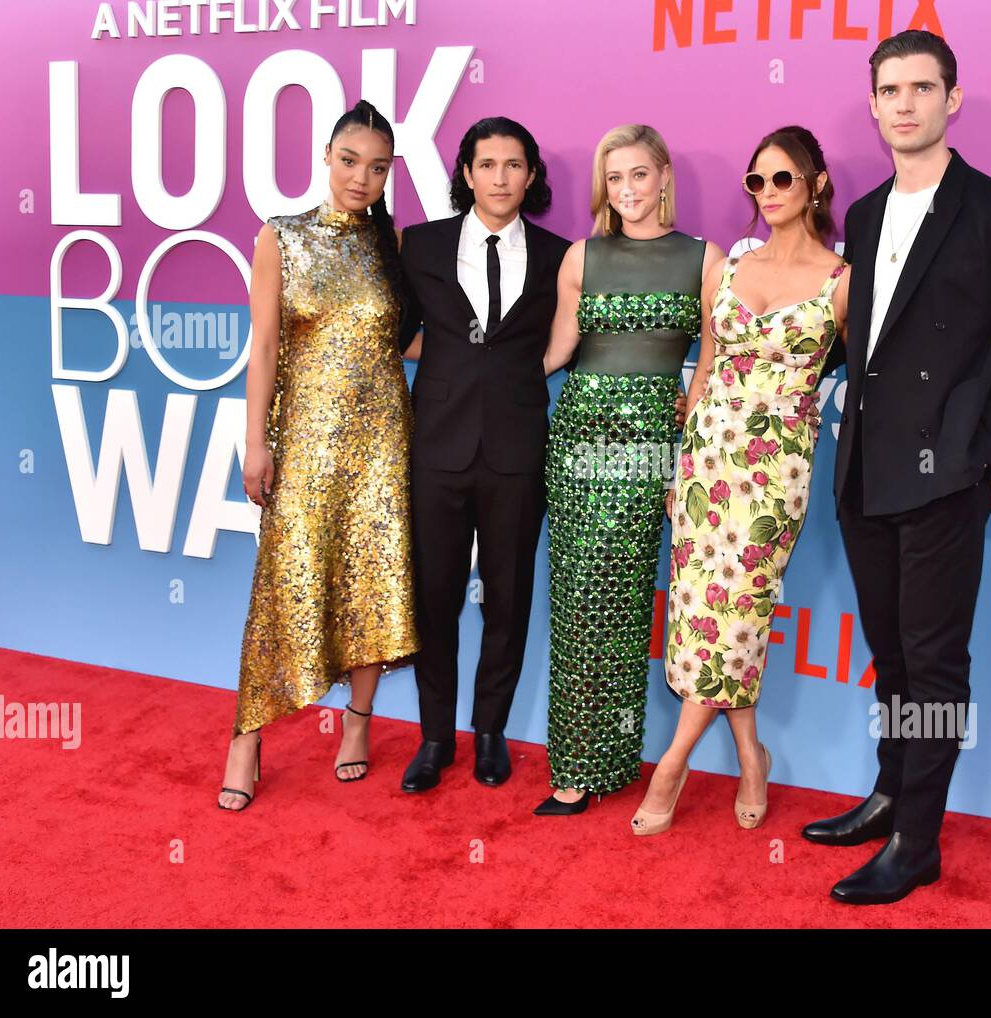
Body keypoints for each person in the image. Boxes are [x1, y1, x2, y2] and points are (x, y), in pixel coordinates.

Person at [804, 30, 991, 905]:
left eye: (921, 87)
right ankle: (887, 794)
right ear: (873, 105)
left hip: (943, 475)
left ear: (952, 98)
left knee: (935, 662)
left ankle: (918, 839)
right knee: (892, 656)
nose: (904, 103)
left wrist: (976, 453)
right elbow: (861, 344)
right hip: (864, 473)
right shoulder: (866, 215)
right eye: (890, 90)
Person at [631, 126, 849, 836]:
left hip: (774, 466)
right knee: (706, 616)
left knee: (740, 610)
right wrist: (676, 460)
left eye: (782, 179)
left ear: (815, 185)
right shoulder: (728, 268)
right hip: (706, 459)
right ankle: (752, 755)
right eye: (756, 181)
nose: (767, 193)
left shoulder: (844, 283)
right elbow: (704, 371)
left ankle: (671, 765)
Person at [216, 100, 419, 811]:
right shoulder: (282, 237)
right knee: (283, 583)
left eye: (377, 167)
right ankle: (248, 734)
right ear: (326, 160)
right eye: (349, 161)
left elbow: (417, 339)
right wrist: (255, 441)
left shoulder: (394, 249)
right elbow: (264, 347)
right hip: (303, 440)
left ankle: (358, 726)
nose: (362, 177)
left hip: (386, 444)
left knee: (376, 578)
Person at [536, 125, 725, 815]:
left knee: (624, 600)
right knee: (579, 603)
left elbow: (709, 360)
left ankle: (614, 757)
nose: (628, 191)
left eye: (639, 176)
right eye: (614, 179)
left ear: (664, 175)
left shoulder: (706, 260)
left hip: (652, 445)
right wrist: (479, 373)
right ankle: (574, 769)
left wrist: (689, 438)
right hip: (580, 437)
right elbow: (558, 348)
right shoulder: (581, 256)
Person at [397, 118, 570, 793]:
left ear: (531, 176)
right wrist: (449, 364)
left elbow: (565, 337)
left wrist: (521, 373)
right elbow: (399, 332)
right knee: (433, 597)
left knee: (510, 596)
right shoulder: (420, 244)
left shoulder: (562, 254)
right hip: (437, 445)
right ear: (466, 174)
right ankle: (435, 737)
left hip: (517, 446)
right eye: (487, 164)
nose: (500, 177)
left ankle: (490, 731)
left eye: (514, 165)